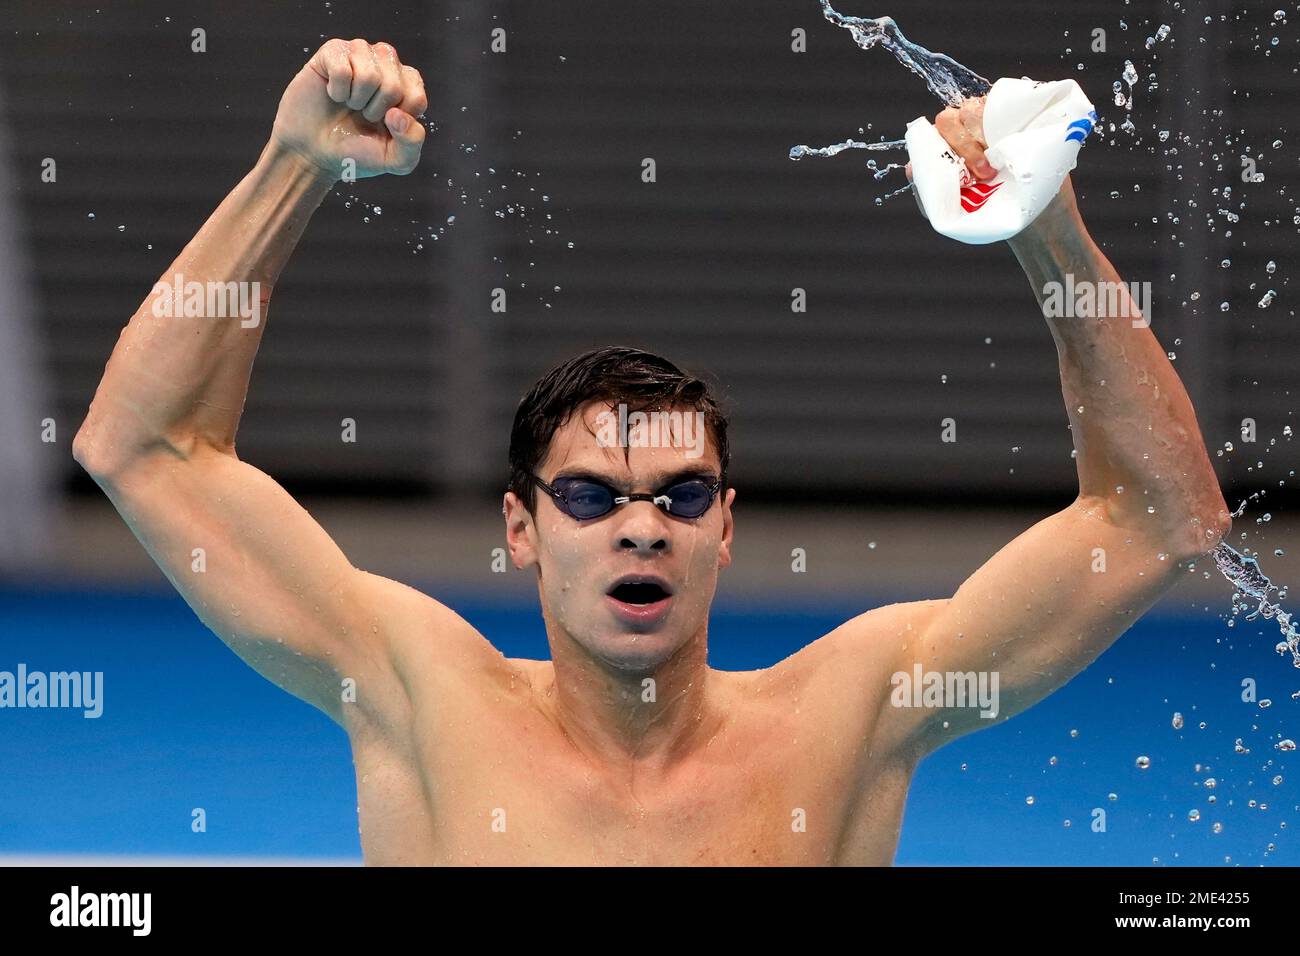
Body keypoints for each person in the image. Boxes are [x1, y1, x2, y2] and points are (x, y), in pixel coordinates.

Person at [73, 39, 1231, 865]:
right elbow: (143, 446)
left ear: (725, 527)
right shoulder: (416, 691)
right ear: (519, 528)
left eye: (680, 495)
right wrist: (295, 167)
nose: (641, 524)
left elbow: (1160, 519)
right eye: (588, 494)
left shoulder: (854, 709)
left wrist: (1045, 230)